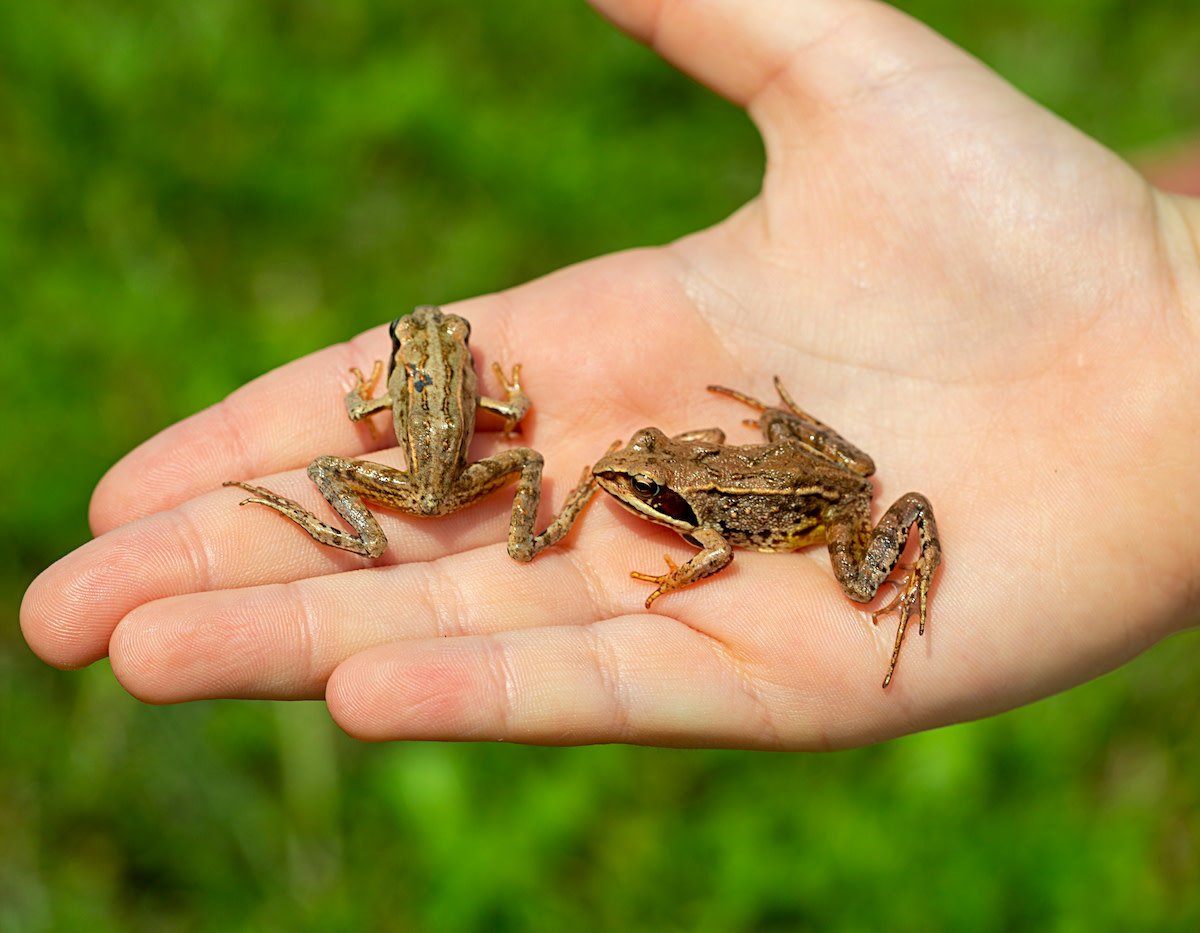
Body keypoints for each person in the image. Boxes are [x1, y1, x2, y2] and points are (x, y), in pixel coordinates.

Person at [20, 0, 1200, 749]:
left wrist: (671, 577)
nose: (630, 477)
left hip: (797, 508)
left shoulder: (692, 507)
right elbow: (555, 441)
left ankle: (909, 589)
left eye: (640, 479)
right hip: (761, 463)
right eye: (639, 474)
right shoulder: (570, 440)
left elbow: (718, 541)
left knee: (858, 589)